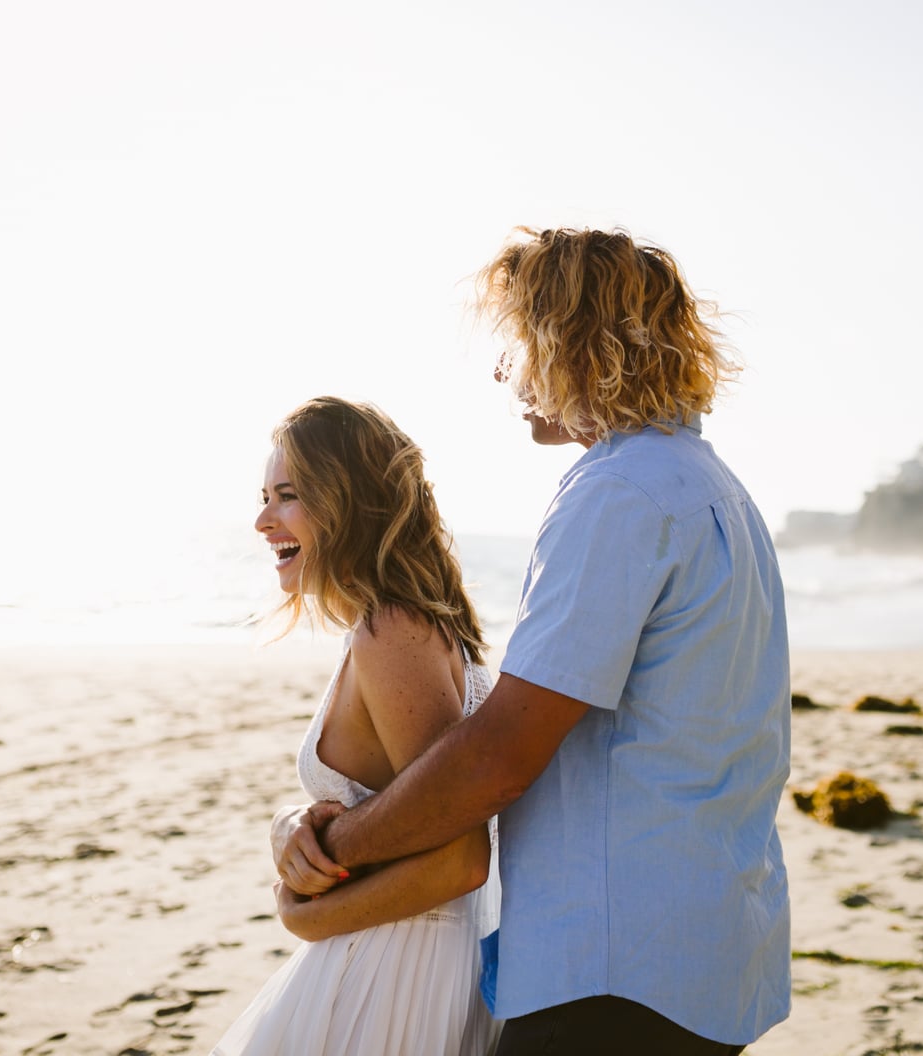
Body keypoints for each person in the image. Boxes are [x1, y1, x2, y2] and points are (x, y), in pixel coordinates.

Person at [277, 228, 792, 1055]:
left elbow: (500, 754)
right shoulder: (711, 487)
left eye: (517, 343)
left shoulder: (618, 491)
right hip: (712, 943)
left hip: (618, 962)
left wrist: (332, 847)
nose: (505, 371)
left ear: (572, 344)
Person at [211, 397, 501, 1056]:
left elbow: (460, 858)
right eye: (264, 496)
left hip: (393, 972)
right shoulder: (404, 625)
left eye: (287, 496)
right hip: (403, 960)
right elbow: (394, 801)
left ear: (348, 503)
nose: (262, 520)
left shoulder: (392, 630)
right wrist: (293, 819)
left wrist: (304, 915)